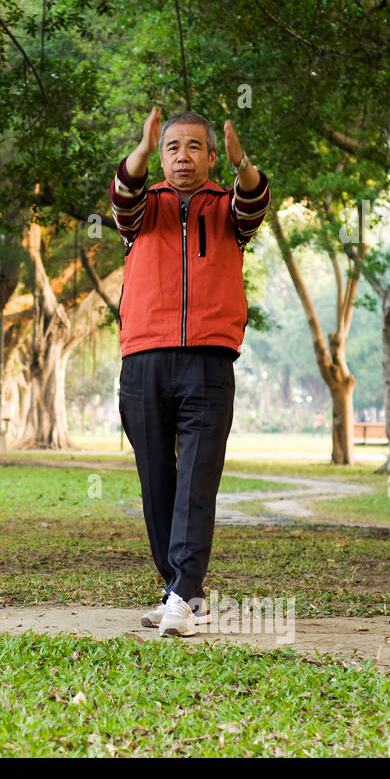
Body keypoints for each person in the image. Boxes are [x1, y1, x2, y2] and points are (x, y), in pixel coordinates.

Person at [110, 107, 271, 636]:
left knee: (197, 480)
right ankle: (177, 587)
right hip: (144, 358)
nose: (184, 156)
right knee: (156, 479)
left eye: (195, 147)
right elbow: (123, 196)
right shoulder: (143, 207)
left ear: (210, 155)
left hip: (208, 359)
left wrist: (241, 158)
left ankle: (183, 593)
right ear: (161, 155)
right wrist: (140, 148)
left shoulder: (228, 208)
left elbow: (255, 201)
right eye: (173, 147)